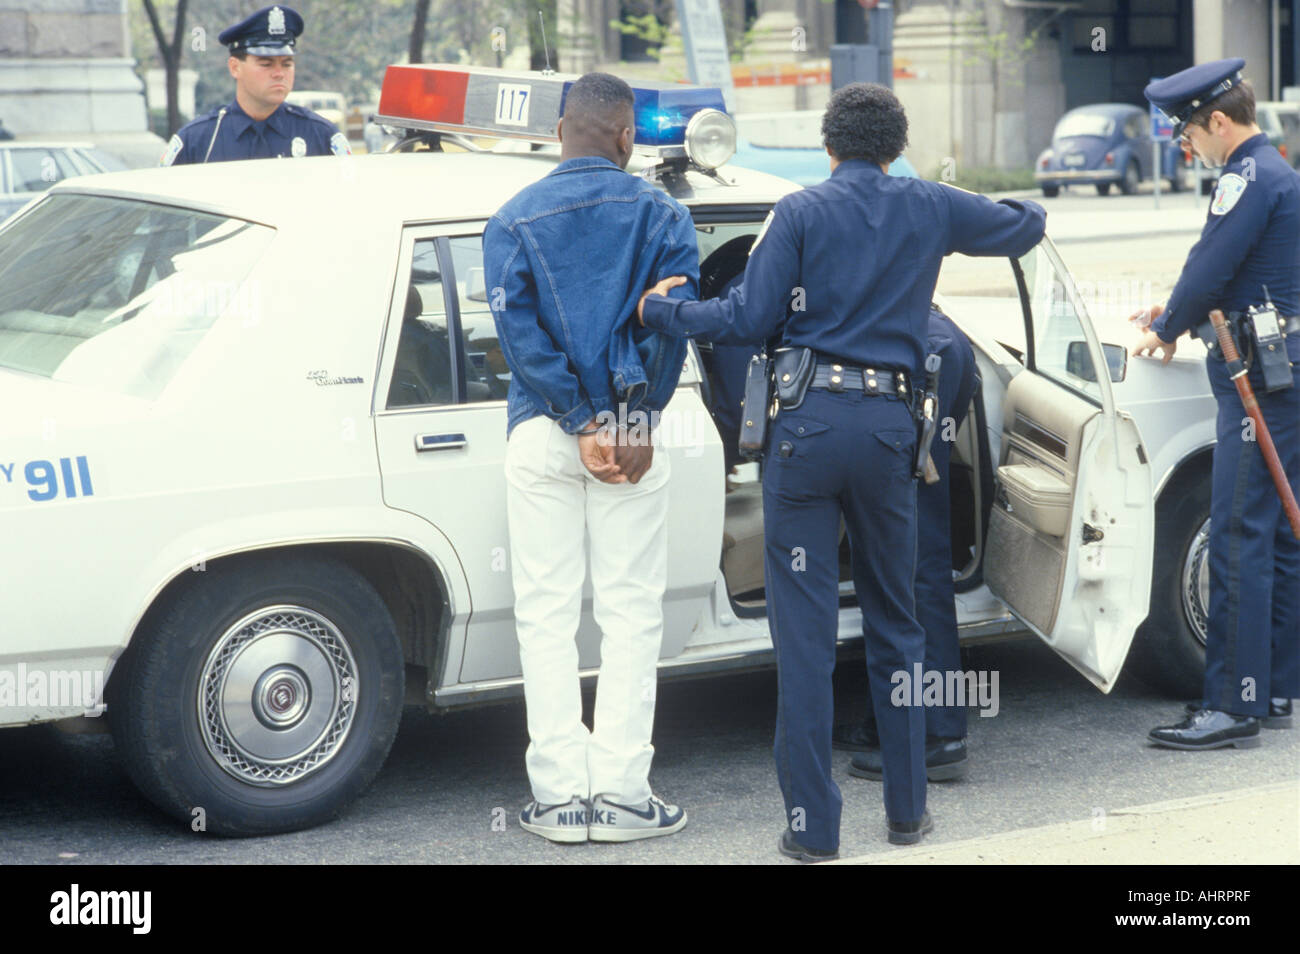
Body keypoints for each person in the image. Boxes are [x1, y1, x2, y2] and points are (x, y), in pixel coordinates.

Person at [638, 82, 1045, 860]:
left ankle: (812, 832)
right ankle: (906, 814)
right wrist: (942, 203)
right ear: (894, 149)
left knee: (805, 635)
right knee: (899, 623)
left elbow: (747, 321)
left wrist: (663, 312)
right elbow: (1028, 225)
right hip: (893, 436)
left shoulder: (798, 213)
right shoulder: (928, 204)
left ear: (827, 146)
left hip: (807, 434)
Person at [483, 72, 698, 844]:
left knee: (544, 615)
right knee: (630, 613)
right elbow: (671, 327)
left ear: (558, 130)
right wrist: (629, 419)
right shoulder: (666, 214)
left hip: (542, 432)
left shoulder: (510, 219)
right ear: (626, 136)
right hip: (633, 440)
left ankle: (561, 801)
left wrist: (577, 418)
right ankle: (622, 797)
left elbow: (519, 337)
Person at [1133, 59, 1299, 748]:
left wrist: (1166, 326)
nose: (1188, 147)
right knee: (1279, 534)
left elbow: (1212, 263)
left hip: (1256, 379)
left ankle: (1232, 706)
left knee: (1236, 535)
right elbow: (1247, 274)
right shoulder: (1279, 171)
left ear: (1219, 123)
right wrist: (1178, 311)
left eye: (1190, 135)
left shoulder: (1247, 176)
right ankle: (1278, 685)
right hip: (1281, 369)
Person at [836, 304, 979, 782]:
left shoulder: (791, 229)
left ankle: (937, 735)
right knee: (914, 545)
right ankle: (897, 718)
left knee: (911, 556)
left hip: (909, 357)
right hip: (937, 341)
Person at [161, 5, 350, 166]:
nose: (279, 73)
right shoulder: (199, 140)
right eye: (266, 64)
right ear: (235, 67)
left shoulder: (320, 135)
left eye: (287, 64)